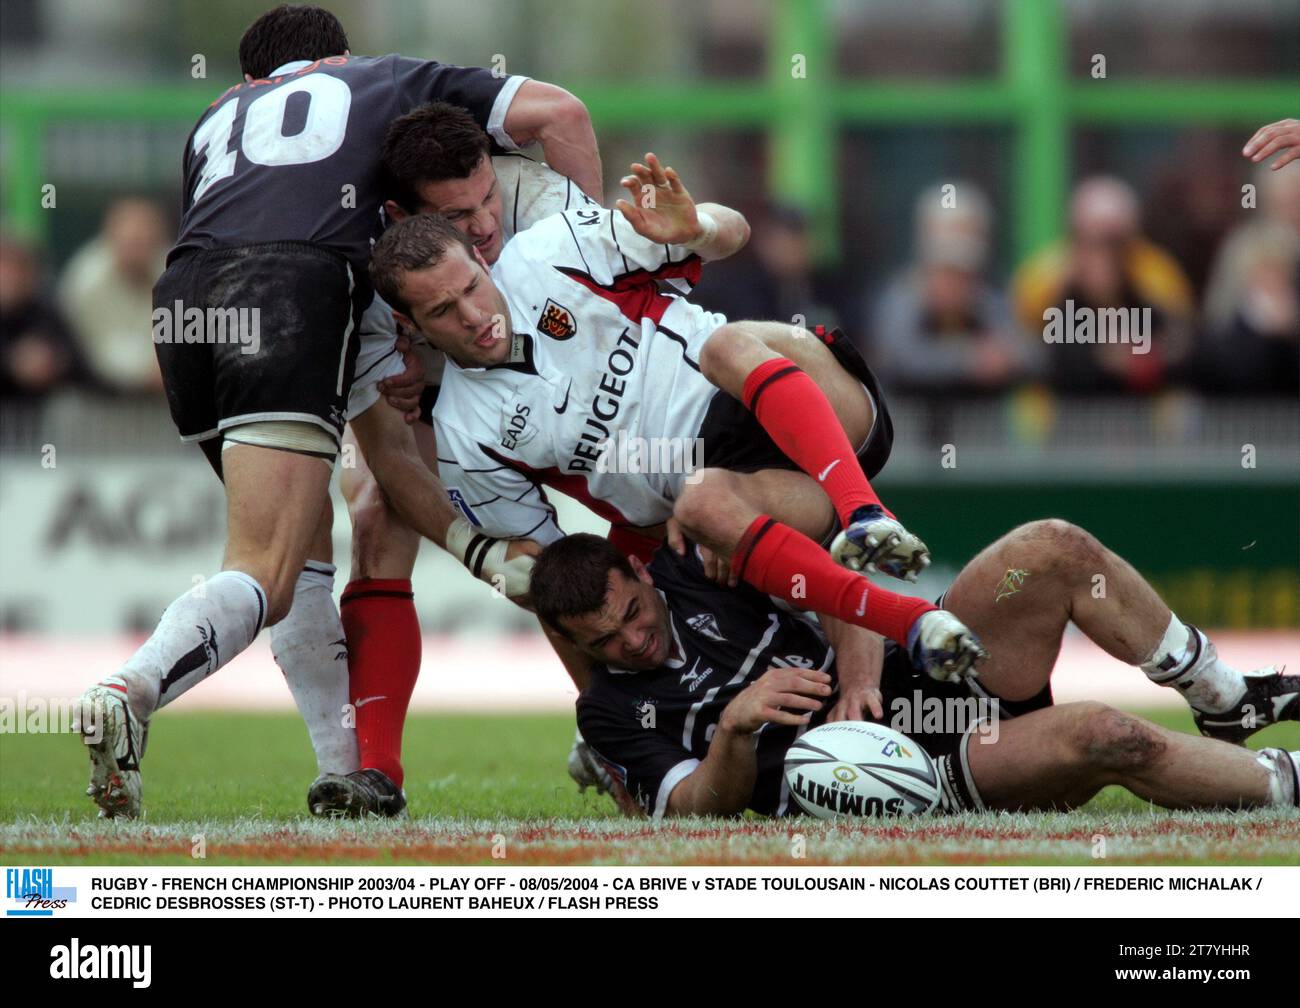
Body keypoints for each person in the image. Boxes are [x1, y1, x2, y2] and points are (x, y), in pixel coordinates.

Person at [73, 3, 600, 819]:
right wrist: (586, 269)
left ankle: (347, 770)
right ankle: (130, 688)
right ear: (341, 57)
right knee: (267, 567)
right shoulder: (382, 78)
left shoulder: (215, 118)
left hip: (185, 305)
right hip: (298, 285)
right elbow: (559, 111)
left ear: (252, 80)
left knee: (308, 541)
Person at [366, 157, 987, 692]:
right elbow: (557, 584)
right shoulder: (464, 439)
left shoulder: (549, 250)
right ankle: (911, 620)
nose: (475, 315)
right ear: (409, 325)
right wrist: (602, 719)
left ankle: (867, 515)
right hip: (727, 501)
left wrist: (701, 228)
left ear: (481, 257)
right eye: (444, 311)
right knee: (702, 502)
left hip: (825, 413)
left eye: (472, 286)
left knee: (726, 343)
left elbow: (732, 234)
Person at [529, 526, 1299, 818]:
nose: (630, 642)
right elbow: (698, 810)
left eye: (632, 614)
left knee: (1051, 550)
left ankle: (1221, 696)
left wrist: (857, 674)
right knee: (1106, 736)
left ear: (637, 572)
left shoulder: (695, 567)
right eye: (604, 641)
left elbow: (831, 567)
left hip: (915, 679)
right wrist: (736, 726)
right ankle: (1285, 781)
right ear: (570, 641)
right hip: (897, 772)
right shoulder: (608, 714)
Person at [298, 102, 601, 815]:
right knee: (375, 509)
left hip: (572, 390)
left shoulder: (552, 201)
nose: (487, 222)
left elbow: (566, 111)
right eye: (458, 216)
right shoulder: (367, 264)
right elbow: (383, 421)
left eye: (488, 195)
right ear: (402, 214)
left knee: (652, 511)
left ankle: (627, 723)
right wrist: (410, 364)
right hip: (449, 407)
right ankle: (378, 773)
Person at [58, 197, 169, 395]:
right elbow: (95, 350)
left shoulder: (173, 273)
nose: (138, 250)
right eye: (132, 241)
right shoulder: (86, 279)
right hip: (95, 402)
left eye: (145, 240)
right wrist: (149, 372)